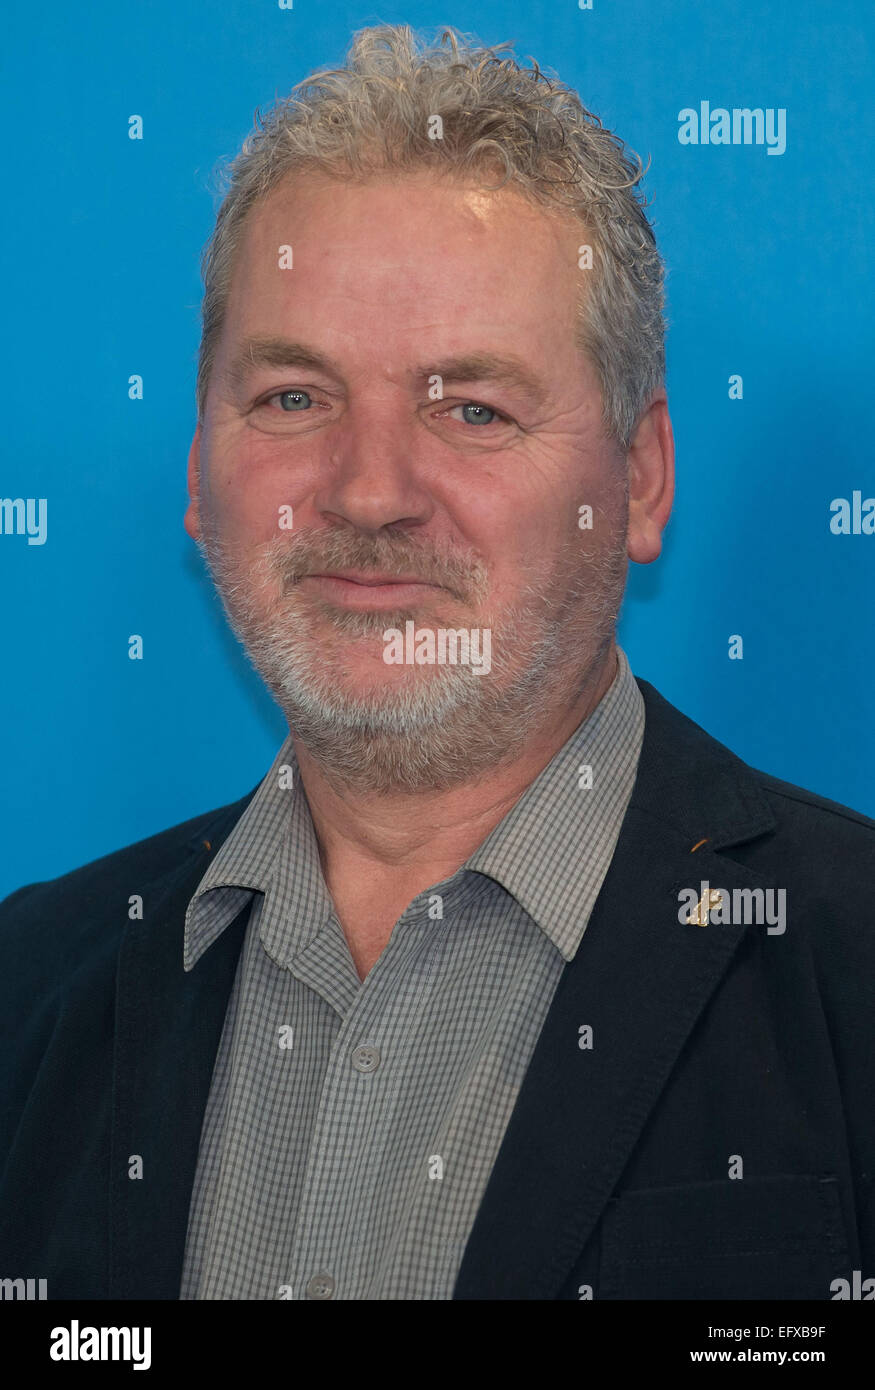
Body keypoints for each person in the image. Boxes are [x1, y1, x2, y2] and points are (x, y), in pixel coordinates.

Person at [1, 23, 873, 1302]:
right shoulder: (29, 990)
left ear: (637, 480)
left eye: (471, 408)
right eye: (295, 397)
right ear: (199, 471)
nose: (369, 490)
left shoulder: (847, 969)